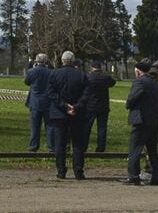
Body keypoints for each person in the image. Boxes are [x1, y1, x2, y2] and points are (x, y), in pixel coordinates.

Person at [45, 51, 88, 180]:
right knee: (78, 143)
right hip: (77, 113)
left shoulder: (54, 74)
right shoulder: (81, 75)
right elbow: (86, 94)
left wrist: (64, 105)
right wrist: (76, 106)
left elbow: (51, 93)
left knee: (60, 143)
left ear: (62, 60)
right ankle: (78, 171)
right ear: (73, 60)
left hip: (59, 113)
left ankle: (61, 171)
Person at [122, 59, 158, 186]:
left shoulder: (140, 82)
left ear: (138, 72)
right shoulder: (153, 82)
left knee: (135, 148)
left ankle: (133, 175)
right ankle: (157, 176)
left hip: (141, 119)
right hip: (153, 119)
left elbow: (133, 98)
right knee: (152, 151)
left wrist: (128, 104)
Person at [82, 61, 116, 153]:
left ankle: (84, 147)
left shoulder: (89, 77)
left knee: (87, 127)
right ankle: (101, 148)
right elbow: (113, 82)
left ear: (92, 67)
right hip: (103, 106)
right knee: (102, 128)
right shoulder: (106, 77)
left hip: (91, 105)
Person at [24, 53, 53, 153]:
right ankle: (51, 147)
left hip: (35, 101)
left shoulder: (31, 71)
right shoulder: (51, 72)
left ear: (36, 61)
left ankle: (33, 147)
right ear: (46, 61)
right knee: (49, 126)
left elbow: (27, 82)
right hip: (48, 102)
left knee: (35, 126)